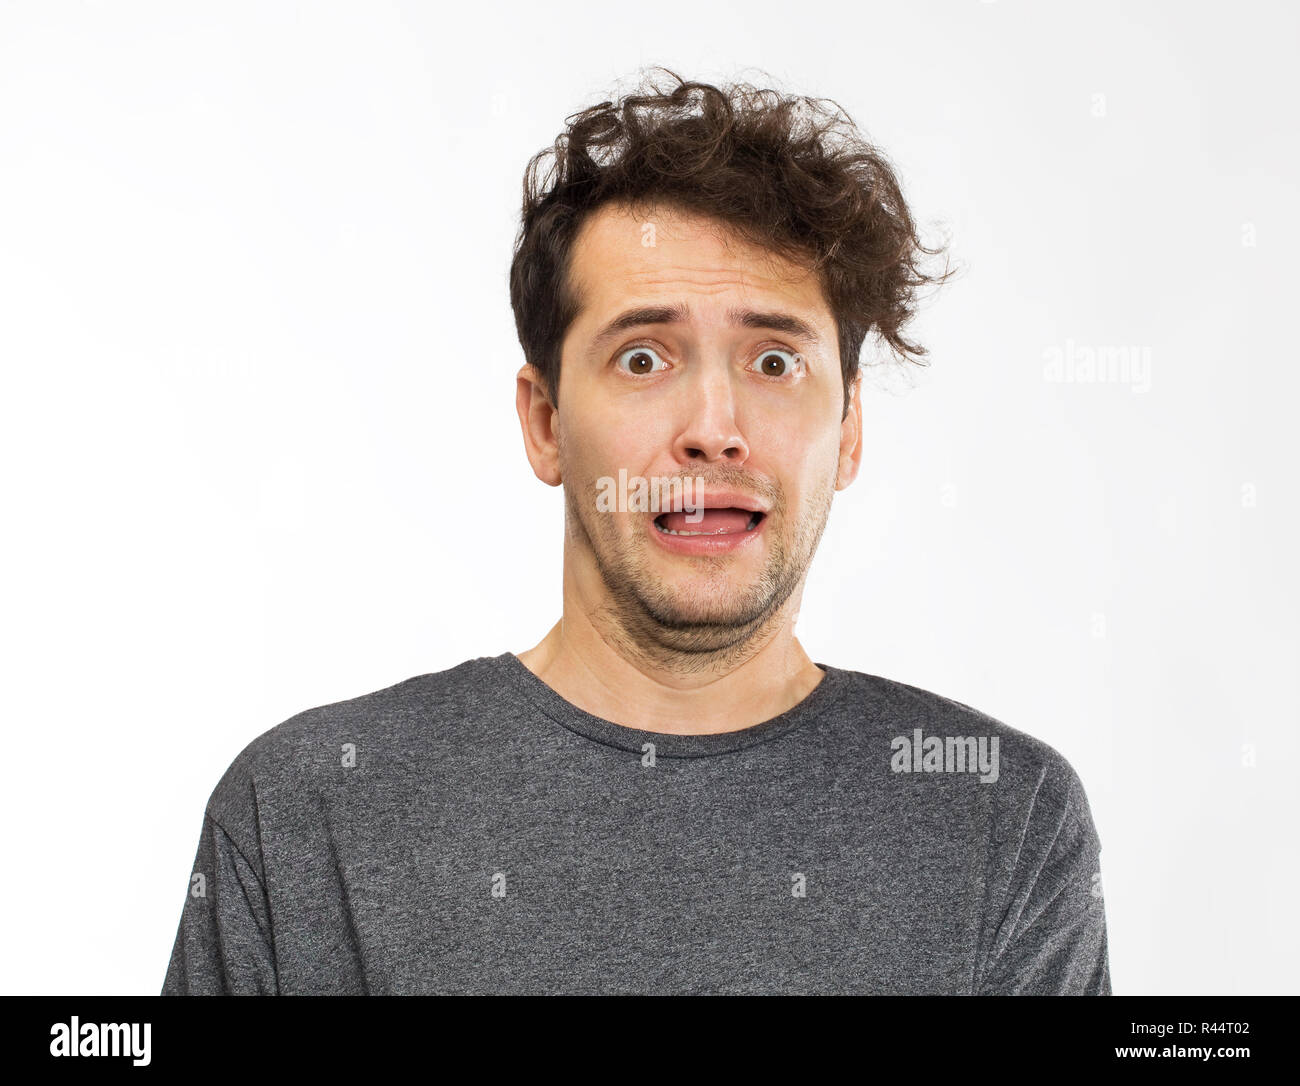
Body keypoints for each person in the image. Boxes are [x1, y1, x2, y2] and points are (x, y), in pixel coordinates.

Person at [162, 68, 1110, 995]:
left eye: (775, 360)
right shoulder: (304, 811)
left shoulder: (1003, 821)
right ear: (544, 423)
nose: (713, 427)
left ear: (850, 429)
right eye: (645, 356)